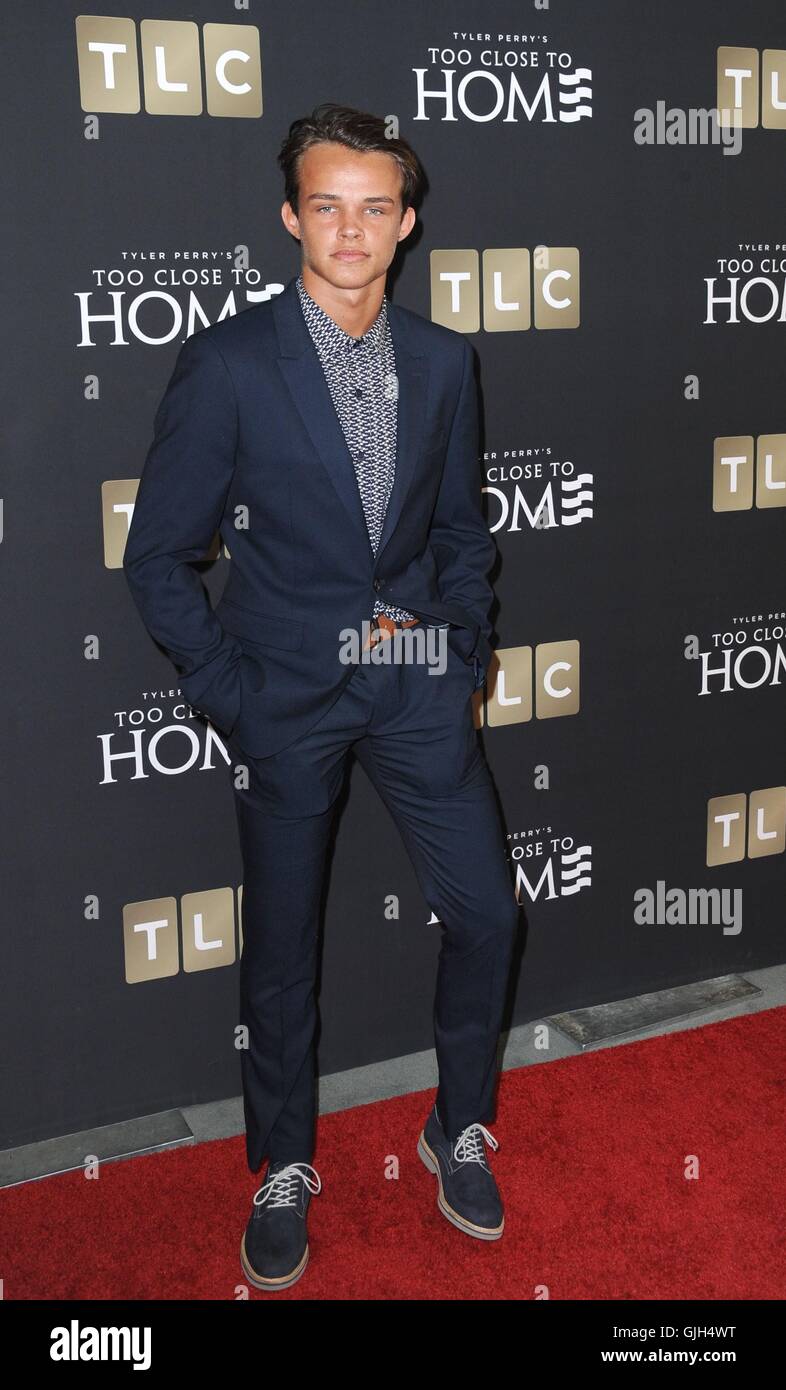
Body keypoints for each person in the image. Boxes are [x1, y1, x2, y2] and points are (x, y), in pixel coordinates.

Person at [123, 102, 520, 1293]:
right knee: (283, 950)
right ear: (293, 215)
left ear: (406, 222)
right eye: (328, 205)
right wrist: (231, 694)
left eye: (376, 207)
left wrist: (459, 655)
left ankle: (459, 1126)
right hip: (283, 695)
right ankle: (284, 1162)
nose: (352, 230)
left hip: (411, 684)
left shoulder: (448, 362)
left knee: (491, 911)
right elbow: (159, 556)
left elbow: (459, 533)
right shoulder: (232, 362)